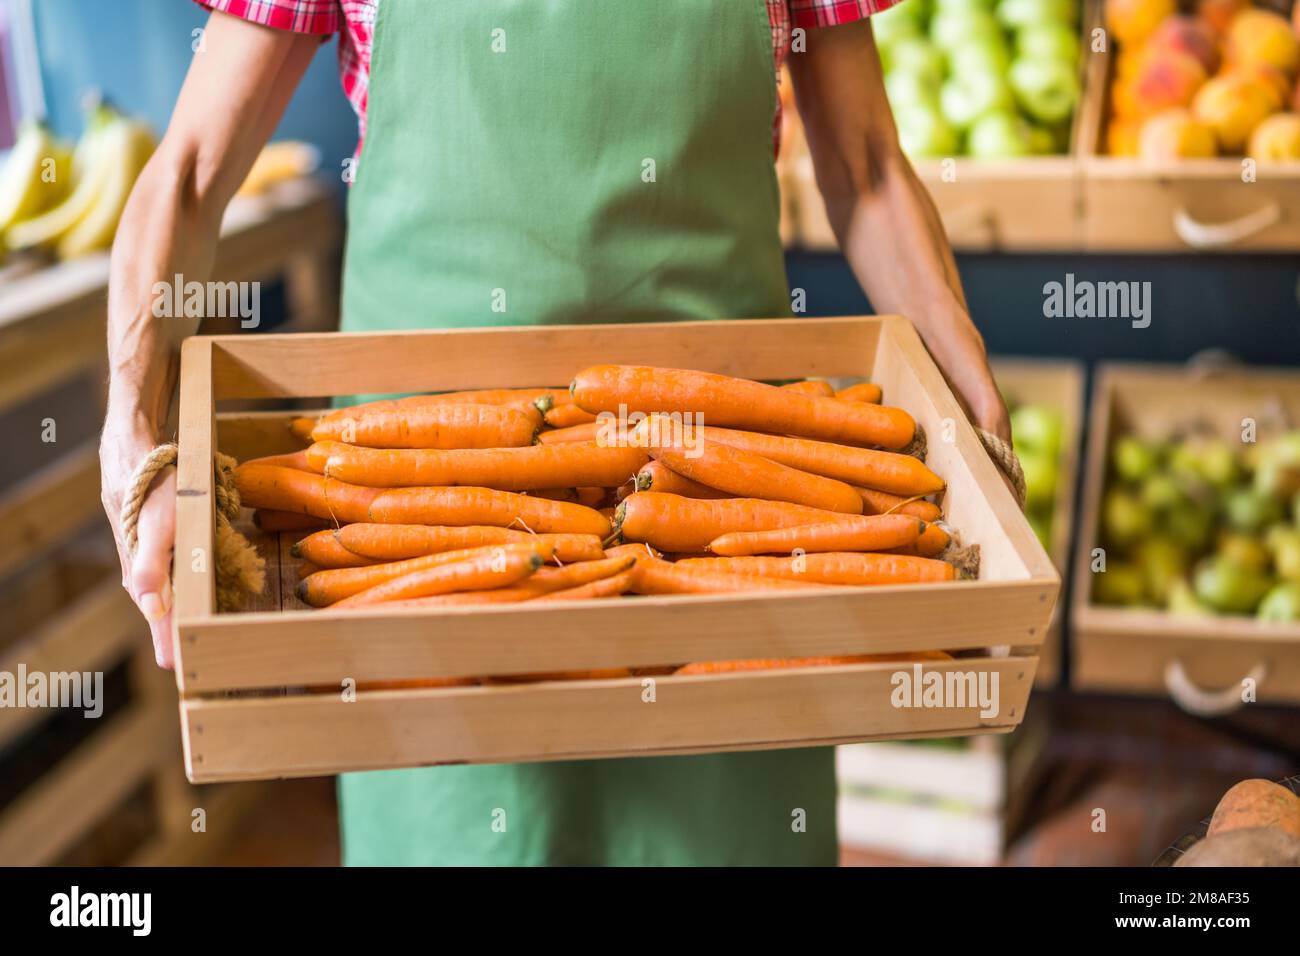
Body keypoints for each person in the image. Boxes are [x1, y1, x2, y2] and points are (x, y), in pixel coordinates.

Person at [101, 0, 1011, 866]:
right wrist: (131, 413)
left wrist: (961, 369)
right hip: (418, 523)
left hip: (730, 506)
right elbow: (190, 171)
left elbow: (867, 164)